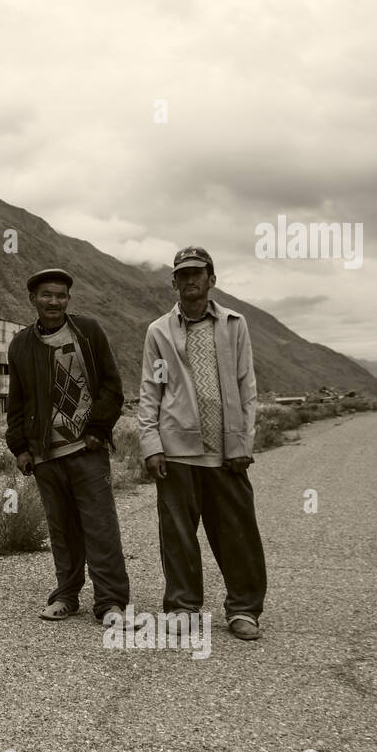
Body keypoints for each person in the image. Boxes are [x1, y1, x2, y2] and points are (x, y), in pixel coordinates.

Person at [138, 246, 268, 640]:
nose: (190, 280)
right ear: (174, 282)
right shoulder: (159, 331)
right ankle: (182, 607)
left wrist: (243, 440)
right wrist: (150, 443)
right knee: (178, 534)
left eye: (198, 273)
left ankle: (243, 609)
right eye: (182, 274)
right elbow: (150, 390)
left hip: (228, 451)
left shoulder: (234, 324)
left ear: (211, 278)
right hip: (177, 450)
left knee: (237, 533)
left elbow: (247, 384)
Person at [6, 267, 132, 624]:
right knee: (61, 530)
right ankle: (66, 595)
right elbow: (16, 401)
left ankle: (110, 603)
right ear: (32, 299)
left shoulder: (89, 332)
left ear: (68, 300)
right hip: (46, 454)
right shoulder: (20, 345)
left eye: (61, 295)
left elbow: (112, 387)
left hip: (86, 450)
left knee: (100, 527)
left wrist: (97, 428)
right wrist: (20, 447)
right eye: (46, 295)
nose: (54, 301)